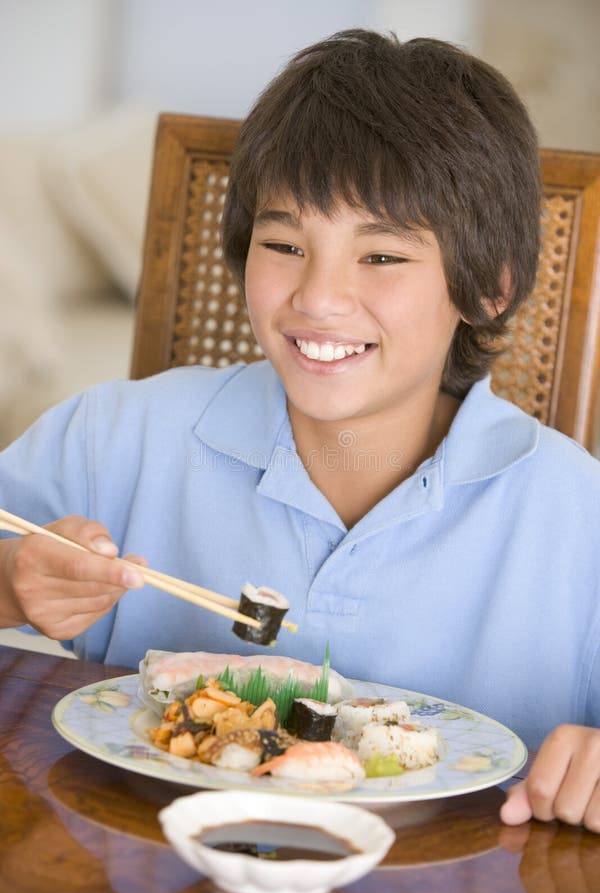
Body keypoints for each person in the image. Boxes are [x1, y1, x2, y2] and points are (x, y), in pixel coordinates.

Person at [0, 29, 598, 832]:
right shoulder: (115, 438)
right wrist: (11, 584)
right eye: (284, 244)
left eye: (381, 257)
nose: (318, 297)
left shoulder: (577, 517)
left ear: (489, 288)